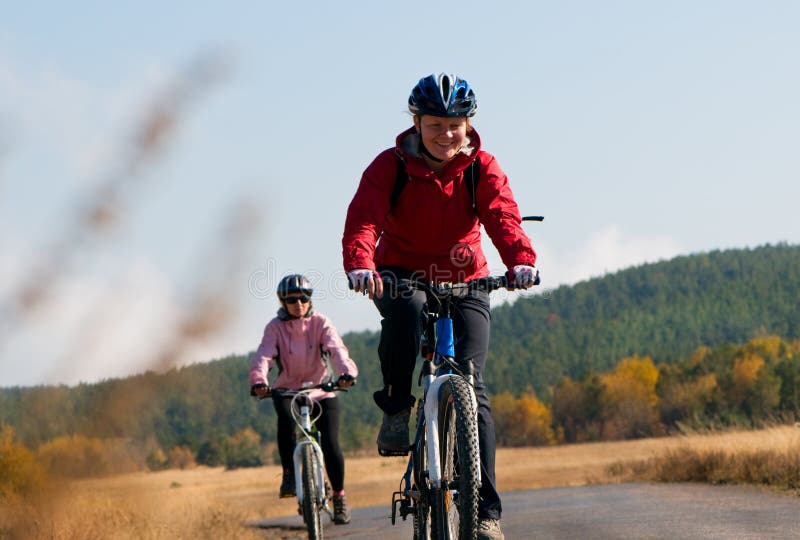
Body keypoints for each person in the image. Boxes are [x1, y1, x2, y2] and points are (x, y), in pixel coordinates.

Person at [341, 73, 538, 540]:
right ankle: (396, 408)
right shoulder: (389, 166)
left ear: (468, 125)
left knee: (472, 385)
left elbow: (502, 216)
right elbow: (364, 220)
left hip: (467, 278)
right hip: (400, 273)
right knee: (406, 312)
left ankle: (486, 514)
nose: (446, 134)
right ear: (417, 123)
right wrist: (361, 265)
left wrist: (521, 261)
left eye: (455, 125)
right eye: (435, 124)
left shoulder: (480, 166)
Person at [249, 274, 358, 525]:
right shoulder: (275, 327)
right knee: (286, 422)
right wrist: (259, 381)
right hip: (287, 390)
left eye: (303, 298)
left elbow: (337, 350)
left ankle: (339, 497)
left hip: (321, 389)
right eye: (291, 300)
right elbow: (264, 356)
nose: (298, 303)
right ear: (283, 302)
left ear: (310, 299)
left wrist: (346, 373)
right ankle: (289, 474)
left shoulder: (321, 322)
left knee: (331, 443)